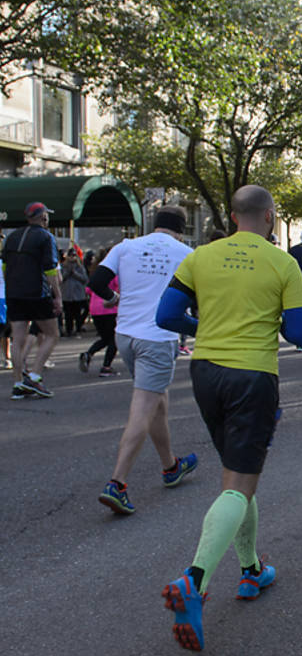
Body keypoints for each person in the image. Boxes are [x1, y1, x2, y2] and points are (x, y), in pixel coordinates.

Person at [154, 185, 302, 652]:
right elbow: (300, 334)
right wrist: (271, 316)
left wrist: (204, 327)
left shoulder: (199, 257)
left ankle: (250, 571)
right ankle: (195, 579)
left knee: (237, 476)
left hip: (206, 373)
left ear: (231, 214)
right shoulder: (283, 263)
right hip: (252, 376)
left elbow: (166, 315)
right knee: (240, 482)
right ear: (270, 216)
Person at [87, 206, 198, 515]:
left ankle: (170, 466)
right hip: (158, 338)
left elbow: (96, 282)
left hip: (125, 336)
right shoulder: (186, 253)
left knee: (157, 401)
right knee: (142, 409)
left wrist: (113, 300)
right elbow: (199, 298)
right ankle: (117, 483)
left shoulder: (126, 247)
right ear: (180, 228)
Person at [3, 202, 61, 399]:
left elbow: (4, 266)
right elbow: (51, 270)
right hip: (37, 292)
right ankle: (35, 377)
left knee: (17, 339)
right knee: (52, 334)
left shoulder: (11, 237)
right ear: (43, 217)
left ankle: (19, 383)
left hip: (14, 292)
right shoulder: (46, 237)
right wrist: (58, 296)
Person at [79, 251, 119, 377]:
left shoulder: (96, 272)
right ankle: (106, 366)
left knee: (105, 338)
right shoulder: (114, 272)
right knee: (114, 339)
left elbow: (88, 290)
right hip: (110, 308)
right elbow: (119, 287)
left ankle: (89, 353)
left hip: (95, 309)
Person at [60, 248, 89, 337]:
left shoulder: (80, 267)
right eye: (70, 255)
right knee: (68, 314)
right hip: (67, 295)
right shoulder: (63, 267)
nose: (72, 257)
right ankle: (69, 330)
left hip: (78, 295)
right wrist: (68, 272)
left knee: (77, 313)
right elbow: (61, 279)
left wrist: (75, 273)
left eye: (74, 255)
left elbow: (85, 279)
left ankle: (78, 328)